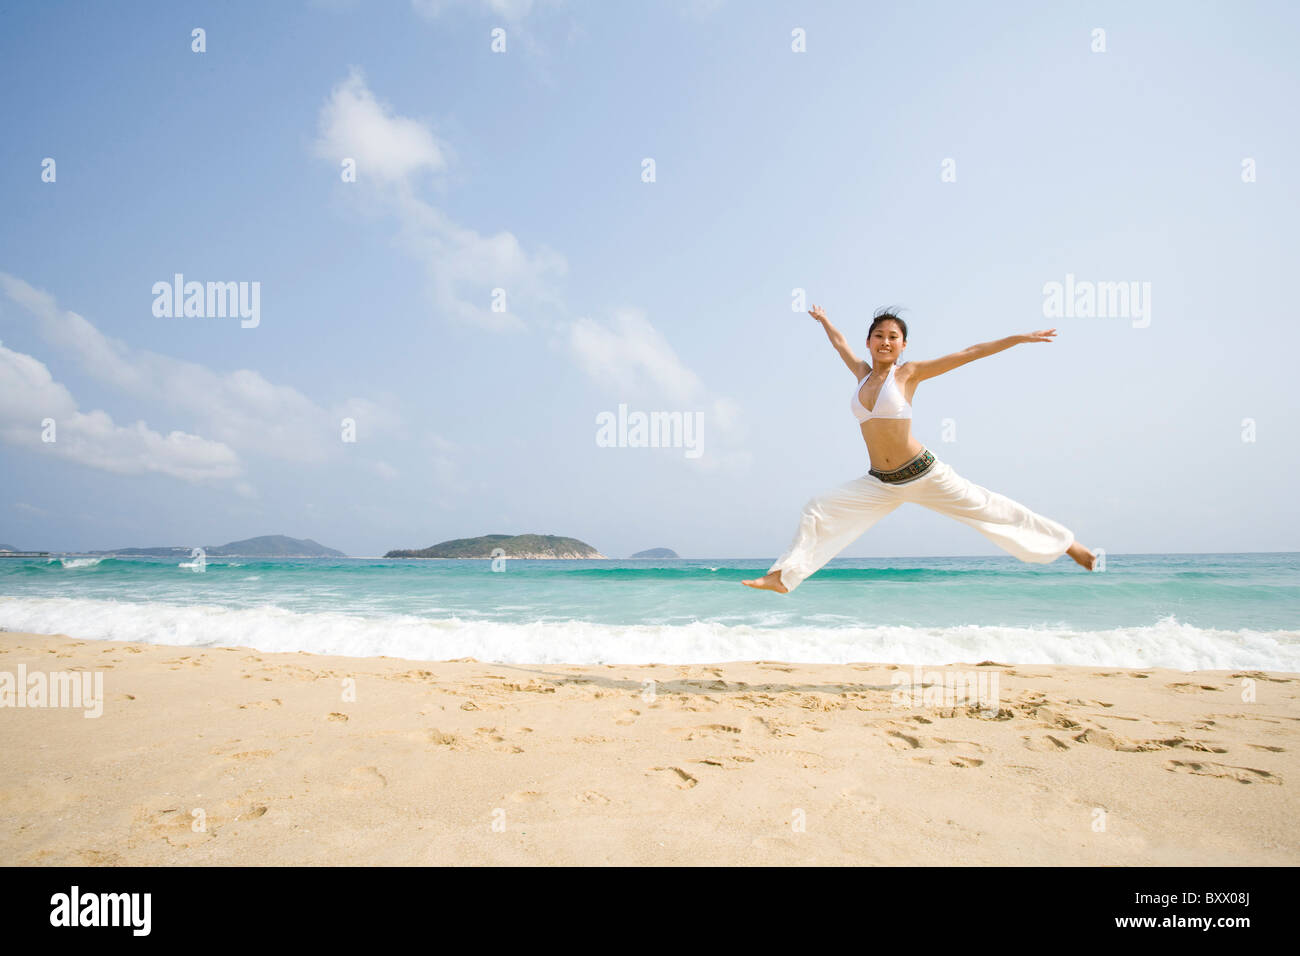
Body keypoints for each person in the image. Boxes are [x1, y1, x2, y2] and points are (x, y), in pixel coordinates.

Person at [742, 305, 1096, 593]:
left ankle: (1067, 544)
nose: (885, 341)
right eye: (878, 336)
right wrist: (825, 321)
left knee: (990, 509)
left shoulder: (908, 374)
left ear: (903, 345)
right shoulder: (861, 374)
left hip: (924, 473)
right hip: (881, 483)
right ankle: (783, 577)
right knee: (817, 509)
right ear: (868, 341)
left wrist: (1017, 339)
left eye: (893, 337)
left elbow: (969, 353)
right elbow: (839, 344)